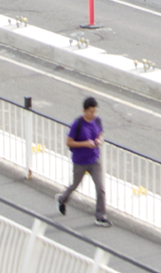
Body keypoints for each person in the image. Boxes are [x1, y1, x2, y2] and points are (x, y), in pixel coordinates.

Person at [56, 96, 108, 226]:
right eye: (90, 111)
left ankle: (100, 216)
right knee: (75, 185)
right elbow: (69, 142)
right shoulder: (77, 124)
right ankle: (62, 199)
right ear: (84, 111)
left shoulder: (97, 121)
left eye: (95, 111)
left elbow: (100, 135)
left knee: (100, 188)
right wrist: (85, 143)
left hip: (94, 160)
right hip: (80, 161)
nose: (93, 114)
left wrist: (99, 141)